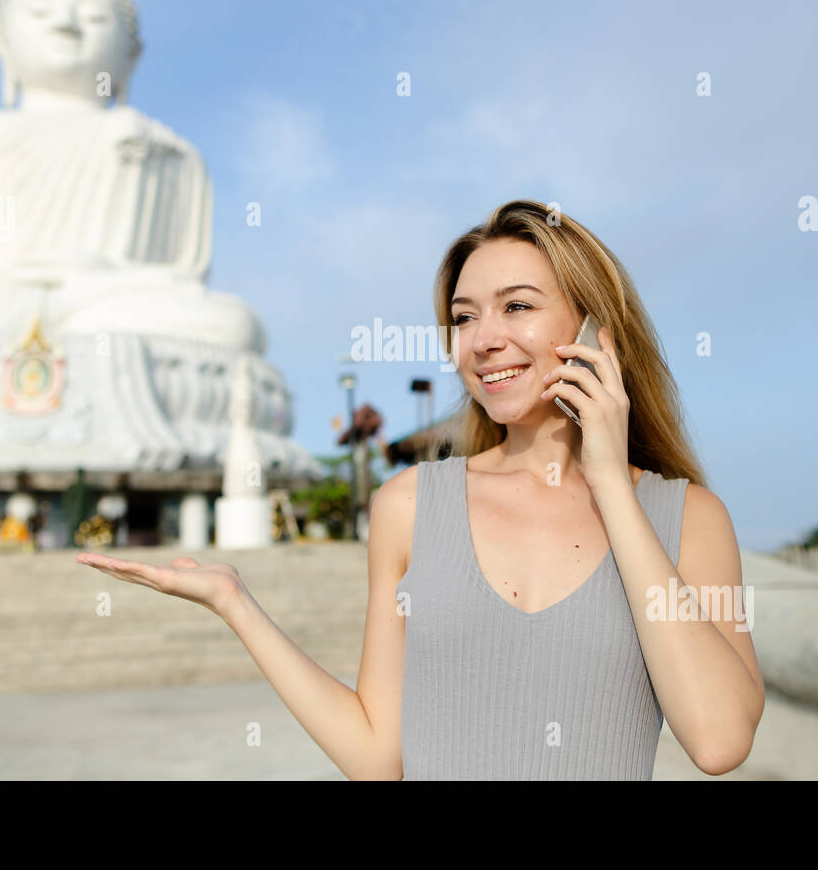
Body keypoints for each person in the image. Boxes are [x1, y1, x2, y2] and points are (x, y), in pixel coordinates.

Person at [78, 199, 765, 780]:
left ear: (596, 333)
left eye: (516, 307)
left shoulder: (686, 519)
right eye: (464, 318)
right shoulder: (409, 506)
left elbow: (718, 740)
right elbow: (379, 755)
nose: (483, 340)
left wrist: (612, 482)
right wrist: (236, 604)